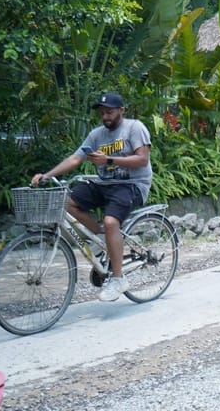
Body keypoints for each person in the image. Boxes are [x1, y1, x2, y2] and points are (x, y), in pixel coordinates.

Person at [31, 92, 152, 302]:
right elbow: (75, 159)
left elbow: (142, 159)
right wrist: (46, 175)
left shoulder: (134, 128)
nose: (105, 116)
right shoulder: (96, 135)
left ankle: (118, 278)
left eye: (110, 112)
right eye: (102, 113)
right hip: (104, 185)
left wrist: (109, 160)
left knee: (111, 221)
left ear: (121, 111)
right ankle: (101, 238)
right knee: (65, 200)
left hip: (131, 185)